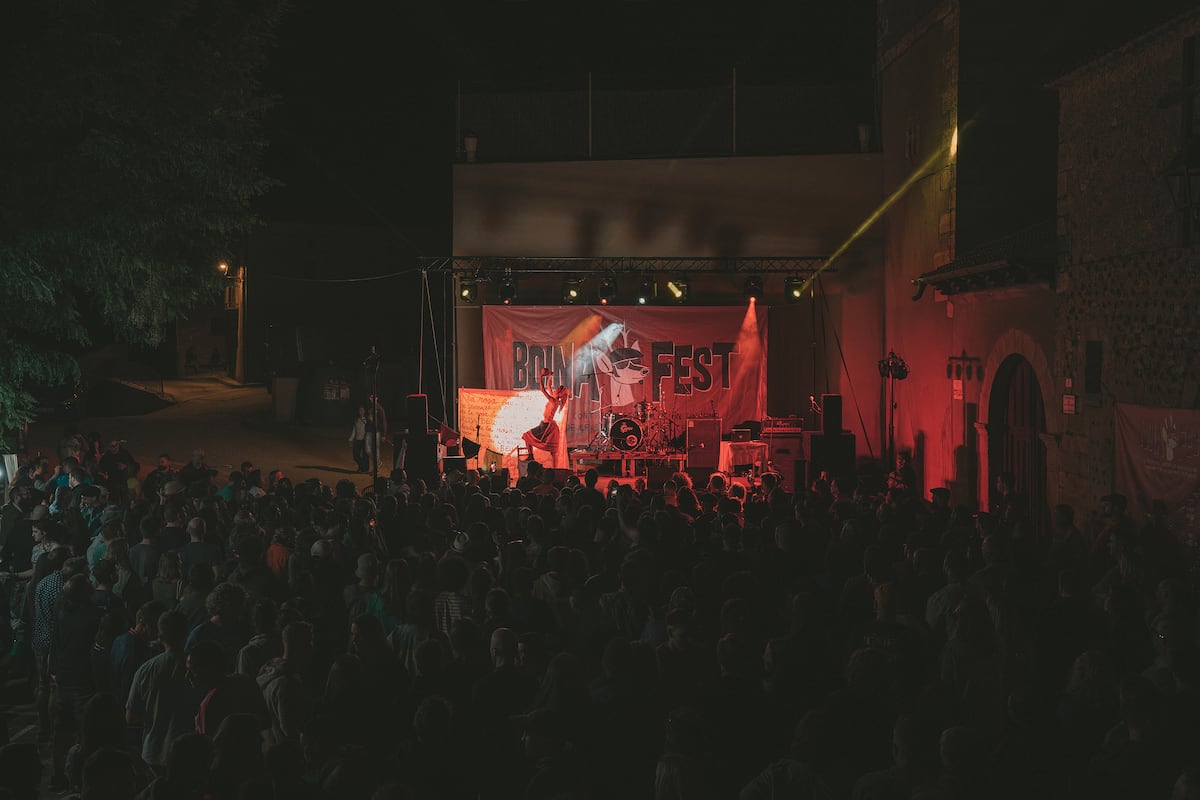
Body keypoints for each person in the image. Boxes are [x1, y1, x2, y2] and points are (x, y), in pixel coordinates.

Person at [125, 610, 206, 772]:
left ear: (160, 636)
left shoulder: (145, 670)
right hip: (190, 752)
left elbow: (131, 717)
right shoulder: (199, 669)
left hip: (153, 753)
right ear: (186, 634)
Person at [522, 368, 569, 463]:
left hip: (546, 426)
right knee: (528, 437)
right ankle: (531, 455)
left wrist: (541, 377)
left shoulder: (554, 401)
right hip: (545, 424)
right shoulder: (554, 398)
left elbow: (543, 390)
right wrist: (550, 376)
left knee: (526, 436)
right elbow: (549, 386)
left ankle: (531, 455)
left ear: (559, 393)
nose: (554, 390)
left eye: (557, 390)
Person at [350, 407, 370, 473]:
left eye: (362, 410)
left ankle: (365, 469)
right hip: (357, 439)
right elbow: (354, 430)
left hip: (365, 440)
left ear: (364, 411)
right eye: (360, 410)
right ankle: (362, 466)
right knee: (355, 455)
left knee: (365, 456)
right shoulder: (356, 420)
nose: (361, 412)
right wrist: (351, 438)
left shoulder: (367, 420)